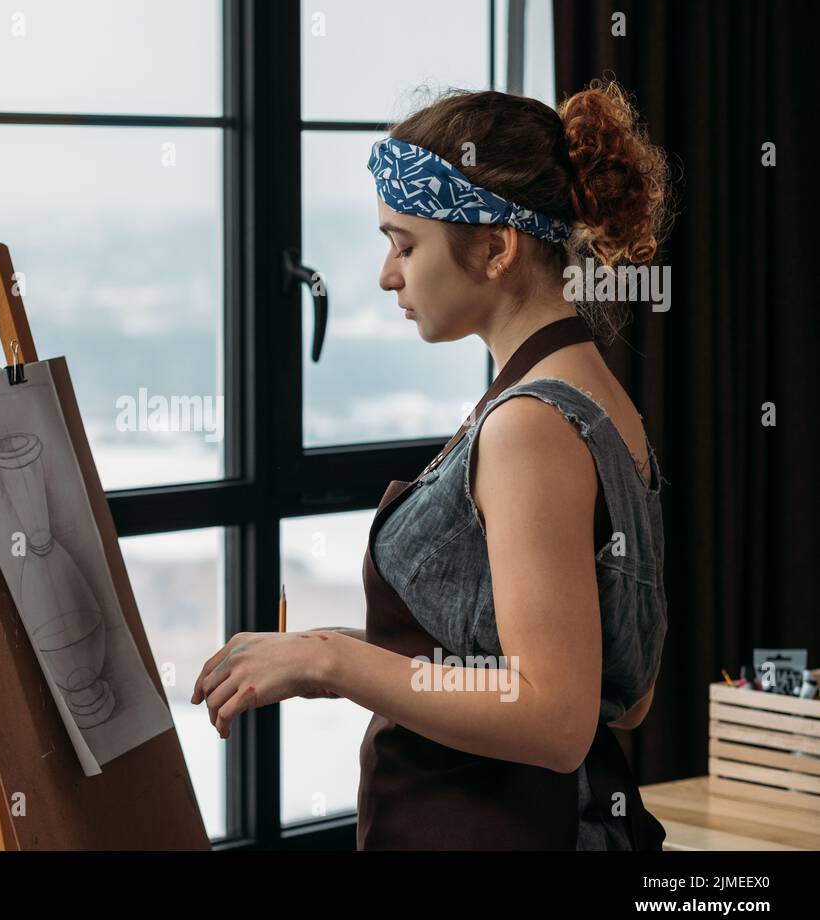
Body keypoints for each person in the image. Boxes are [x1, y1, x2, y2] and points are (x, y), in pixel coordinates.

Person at [191, 78, 674, 849]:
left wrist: (335, 666)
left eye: (404, 244)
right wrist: (332, 651)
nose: (389, 276)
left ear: (494, 246)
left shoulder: (529, 426)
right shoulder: (597, 398)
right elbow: (625, 690)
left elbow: (555, 717)